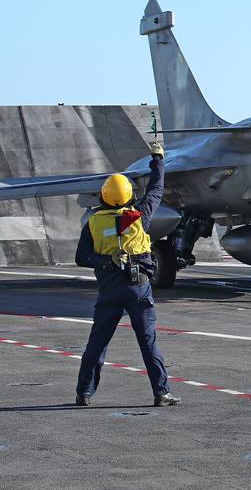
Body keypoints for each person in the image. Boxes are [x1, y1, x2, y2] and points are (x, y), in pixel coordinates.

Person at [74, 141, 180, 407]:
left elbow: (81, 258)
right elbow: (156, 189)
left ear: (103, 196)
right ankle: (161, 392)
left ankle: (84, 394)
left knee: (97, 344)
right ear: (129, 195)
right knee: (148, 343)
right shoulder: (138, 217)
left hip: (109, 288)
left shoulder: (93, 223)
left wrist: (106, 259)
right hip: (138, 288)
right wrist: (158, 158)